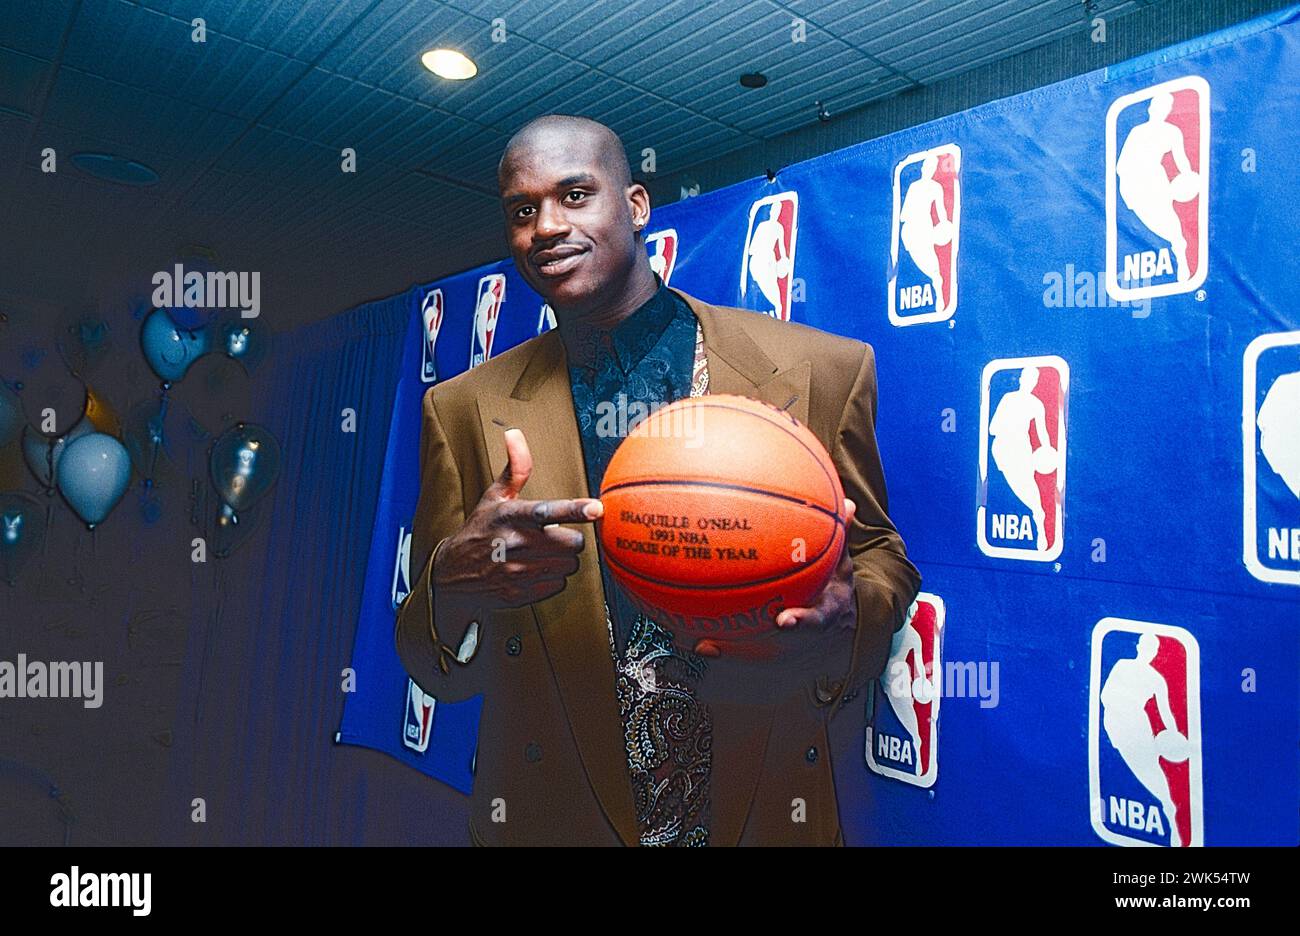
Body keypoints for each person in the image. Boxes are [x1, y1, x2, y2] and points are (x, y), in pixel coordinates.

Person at [394, 114, 921, 846]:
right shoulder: (460, 408)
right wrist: (451, 582)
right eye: (523, 210)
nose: (545, 226)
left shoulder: (821, 370)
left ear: (637, 207)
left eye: (575, 195)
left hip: (760, 807)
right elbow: (432, 663)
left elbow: (882, 556)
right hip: (555, 817)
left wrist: (847, 614)